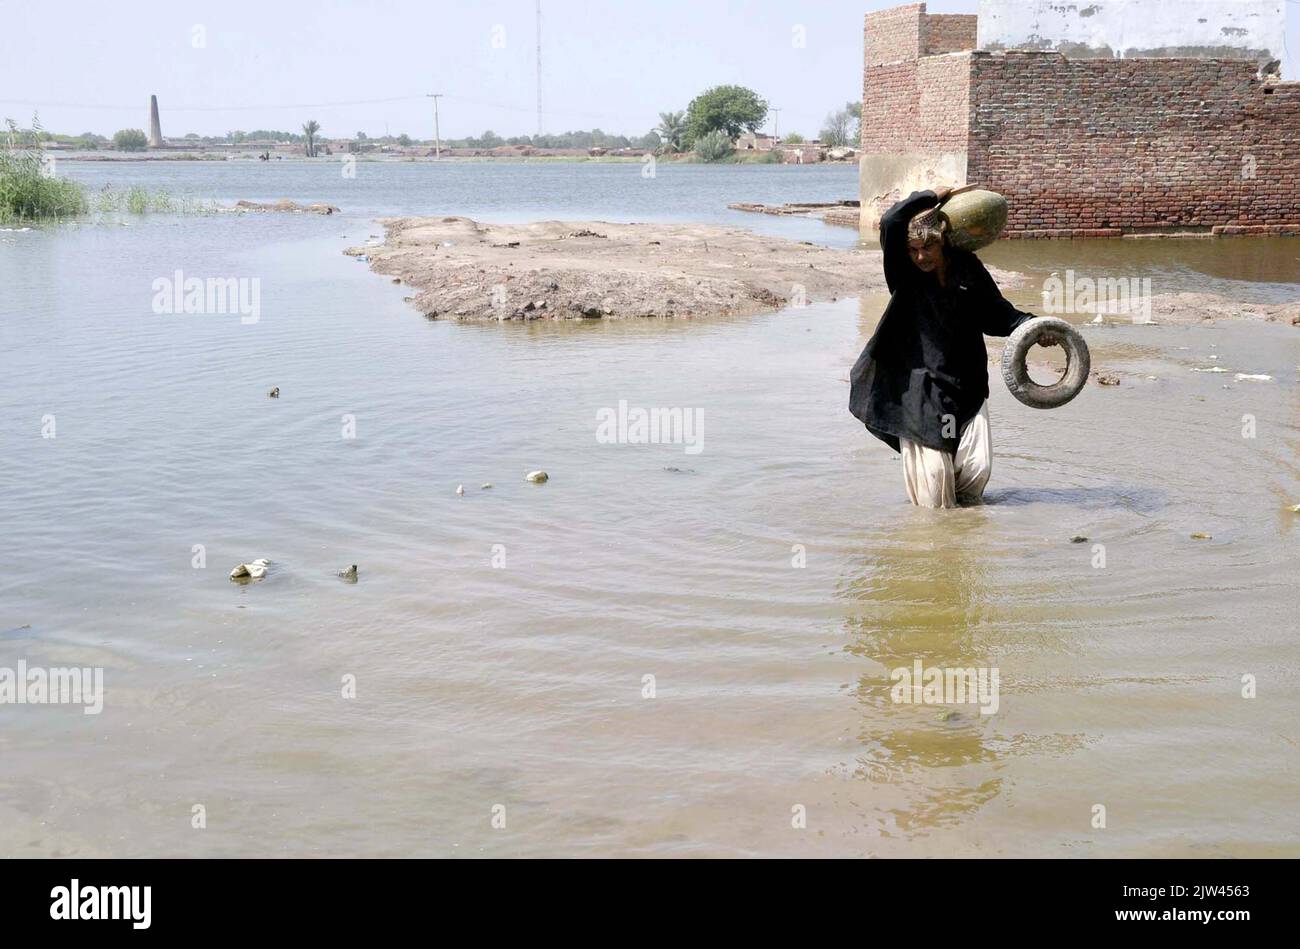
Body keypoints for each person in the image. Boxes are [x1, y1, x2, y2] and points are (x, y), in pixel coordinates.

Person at [848, 187, 1053, 509]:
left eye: (928, 246)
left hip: (966, 384)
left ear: (943, 241)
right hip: (919, 386)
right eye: (913, 249)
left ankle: (962, 540)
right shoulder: (904, 275)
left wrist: (1033, 326)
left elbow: (997, 314)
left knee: (976, 471)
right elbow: (890, 221)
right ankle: (932, 543)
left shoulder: (968, 269)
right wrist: (930, 196)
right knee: (934, 478)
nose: (921, 256)